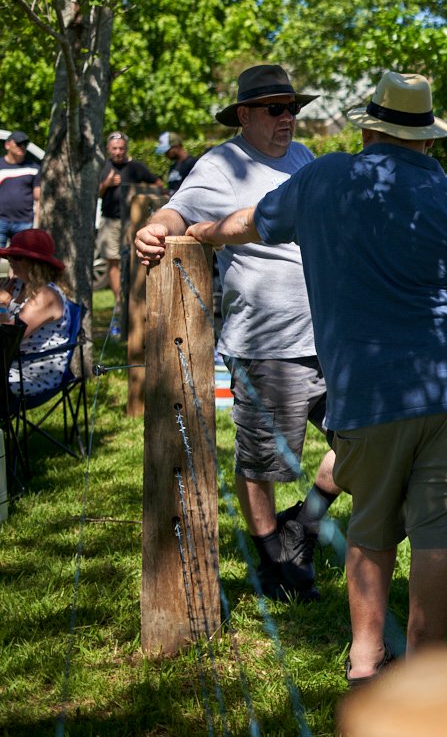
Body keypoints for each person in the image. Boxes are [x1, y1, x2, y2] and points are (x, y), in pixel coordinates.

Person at [181, 70, 447, 687]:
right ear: (428, 140)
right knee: (439, 536)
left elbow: (246, 225)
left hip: (366, 395)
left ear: (367, 130)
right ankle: (423, 670)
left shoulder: (324, 178)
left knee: (370, 526)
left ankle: (364, 660)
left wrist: (196, 234)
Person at [134, 64, 340, 603]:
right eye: (275, 109)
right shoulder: (222, 164)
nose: (288, 118)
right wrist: (154, 230)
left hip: (328, 335)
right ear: (244, 115)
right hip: (268, 341)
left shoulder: (303, 157)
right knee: (262, 462)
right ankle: (274, 562)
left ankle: (305, 527)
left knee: (365, 441)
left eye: (293, 108)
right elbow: (177, 212)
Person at [0, 229, 77, 413]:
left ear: (35, 263)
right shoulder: (17, 285)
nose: (11, 261)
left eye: (17, 257)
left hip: (31, 372)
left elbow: (7, 339)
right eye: (10, 256)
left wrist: (2, 304)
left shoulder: (46, 295)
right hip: (10, 364)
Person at [96, 131, 161, 336]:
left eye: (121, 148)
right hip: (110, 220)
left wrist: (139, 189)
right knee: (112, 261)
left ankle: (135, 300)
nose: (118, 152)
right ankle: (119, 302)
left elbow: (158, 185)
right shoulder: (103, 167)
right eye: (114, 148)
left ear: (126, 149)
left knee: (133, 261)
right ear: (109, 149)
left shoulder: (136, 167)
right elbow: (96, 193)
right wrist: (106, 184)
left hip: (133, 223)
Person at [0, 131, 40, 248]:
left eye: (25, 144)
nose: (22, 147)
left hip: (24, 223)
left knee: (20, 258)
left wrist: (38, 225)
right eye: (18, 144)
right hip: (1, 220)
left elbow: (38, 198)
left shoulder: (34, 167)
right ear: (7, 145)